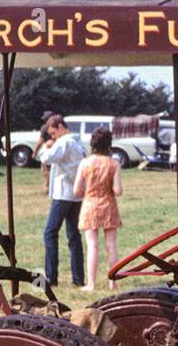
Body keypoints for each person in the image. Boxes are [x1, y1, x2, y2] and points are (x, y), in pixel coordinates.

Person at [73, 127, 123, 293]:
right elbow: (118, 191)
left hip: (90, 205)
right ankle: (113, 283)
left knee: (92, 246)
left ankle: (91, 284)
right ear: (108, 144)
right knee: (111, 246)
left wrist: (88, 192)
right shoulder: (113, 164)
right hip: (108, 205)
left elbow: (76, 190)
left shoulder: (85, 163)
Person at [39, 115, 86, 289]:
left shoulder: (64, 141)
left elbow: (45, 158)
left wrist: (46, 147)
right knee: (74, 236)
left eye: (53, 133)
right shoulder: (77, 142)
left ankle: (51, 277)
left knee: (50, 233)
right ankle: (78, 277)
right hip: (77, 194)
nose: (53, 137)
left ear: (59, 127)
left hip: (63, 194)